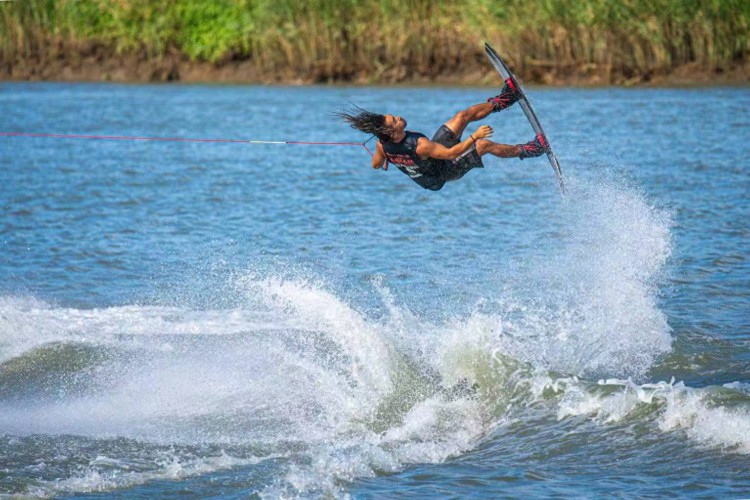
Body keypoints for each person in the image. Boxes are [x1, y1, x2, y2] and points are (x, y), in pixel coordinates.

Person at [337, 79, 549, 191]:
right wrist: (474, 137)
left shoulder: (383, 145)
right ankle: (531, 150)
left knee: (461, 116)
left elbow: (375, 165)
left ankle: (504, 99)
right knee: (483, 145)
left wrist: (390, 159)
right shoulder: (419, 145)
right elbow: (451, 154)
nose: (399, 117)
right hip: (442, 173)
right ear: (391, 132)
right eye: (395, 121)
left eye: (395, 116)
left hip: (432, 158)